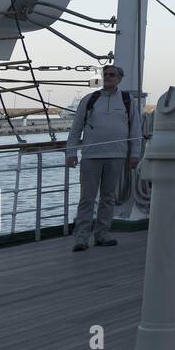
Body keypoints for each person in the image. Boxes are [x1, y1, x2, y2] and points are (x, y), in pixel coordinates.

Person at [65, 64, 142, 251]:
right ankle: (81, 237)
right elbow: (76, 129)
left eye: (112, 75)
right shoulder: (90, 100)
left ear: (119, 79)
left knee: (108, 197)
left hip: (116, 156)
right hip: (91, 156)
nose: (108, 77)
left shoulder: (127, 100)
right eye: (105, 74)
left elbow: (136, 129)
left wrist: (134, 155)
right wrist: (71, 152)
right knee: (87, 198)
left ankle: (102, 234)